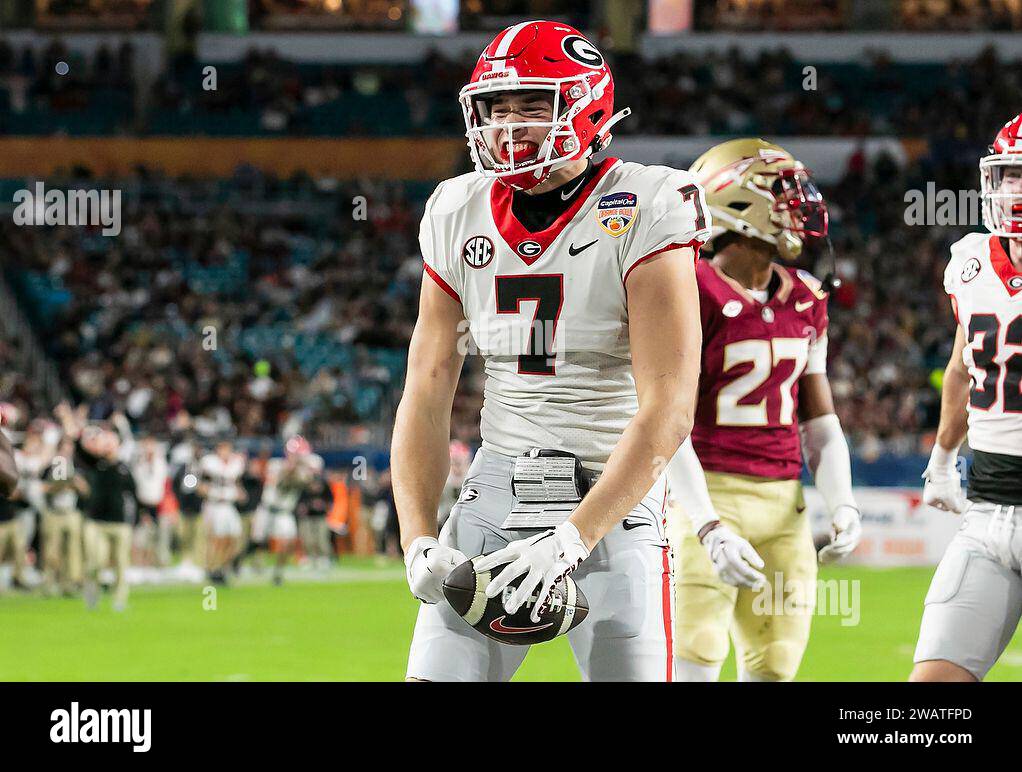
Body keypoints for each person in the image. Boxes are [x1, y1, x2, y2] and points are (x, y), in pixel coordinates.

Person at [394, 20, 708, 682]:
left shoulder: (650, 200)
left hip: (612, 500)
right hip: (494, 495)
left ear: (588, 105)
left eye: (534, 104)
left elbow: (671, 407)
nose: (510, 125)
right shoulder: (456, 207)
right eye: (496, 107)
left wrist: (574, 536)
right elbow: (427, 385)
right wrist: (418, 537)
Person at [665, 139, 861, 682]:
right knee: (696, 651)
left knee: (775, 662)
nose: (799, 207)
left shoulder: (807, 296)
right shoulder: (690, 289)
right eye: (781, 193)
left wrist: (841, 501)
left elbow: (819, 419)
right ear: (737, 202)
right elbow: (667, 422)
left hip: (784, 507)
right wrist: (705, 524)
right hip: (707, 490)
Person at [911, 113, 1022, 682]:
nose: (1014, 191)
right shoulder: (972, 261)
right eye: (1009, 176)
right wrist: (941, 460)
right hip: (989, 511)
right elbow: (960, 367)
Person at [198, 439, 246, 583]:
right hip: (214, 504)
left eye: (227, 448)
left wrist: (239, 491)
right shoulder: (209, 463)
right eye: (222, 448)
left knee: (235, 538)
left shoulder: (236, 463)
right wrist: (203, 489)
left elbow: (235, 482)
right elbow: (195, 480)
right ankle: (212, 568)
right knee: (216, 539)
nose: (225, 451)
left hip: (229, 505)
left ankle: (223, 567)